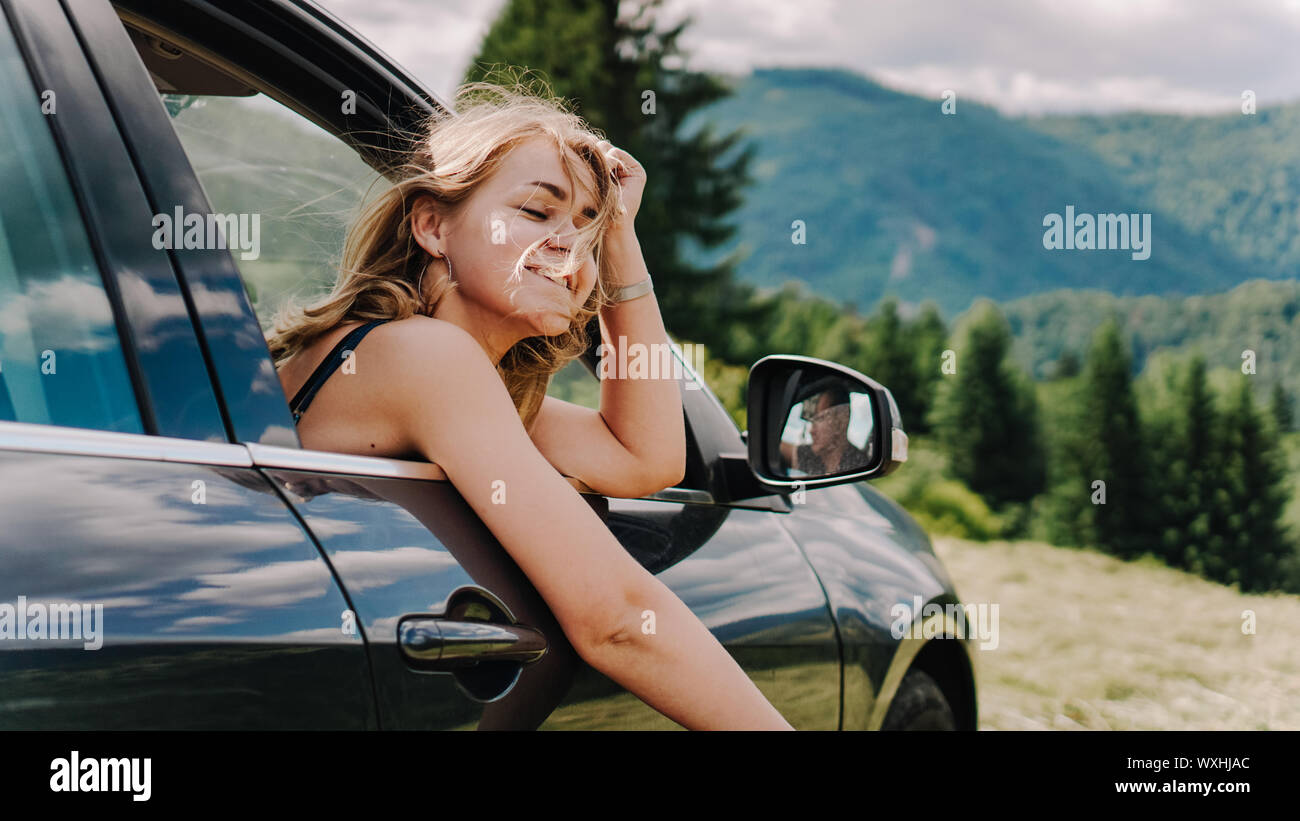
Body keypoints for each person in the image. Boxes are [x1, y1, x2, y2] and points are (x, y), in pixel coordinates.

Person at [267, 80, 792, 731]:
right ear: (433, 226)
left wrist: (622, 237)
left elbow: (646, 458)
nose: (570, 247)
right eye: (538, 212)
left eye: (586, 229)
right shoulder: (423, 360)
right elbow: (618, 621)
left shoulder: (440, 377)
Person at [780, 386, 873, 476]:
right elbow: (779, 448)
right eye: (812, 422)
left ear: (841, 422)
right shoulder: (812, 457)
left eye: (820, 419)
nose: (811, 431)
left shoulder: (860, 464)